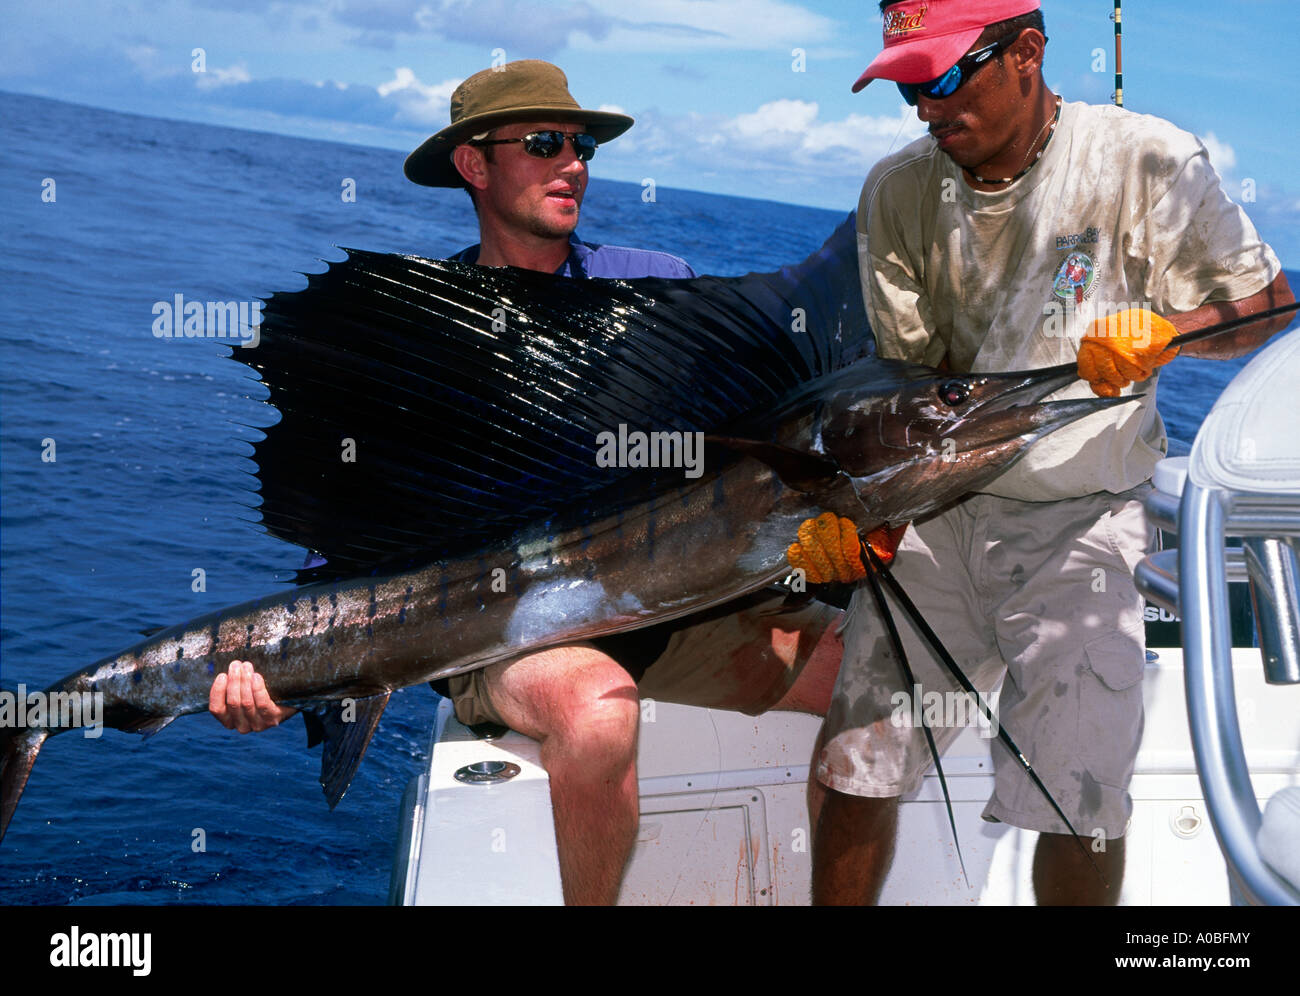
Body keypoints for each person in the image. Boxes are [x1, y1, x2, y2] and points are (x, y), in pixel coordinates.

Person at [210, 59, 846, 906]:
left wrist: (829, 532)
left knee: (883, 684)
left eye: (581, 146)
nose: (573, 164)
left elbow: (741, 450)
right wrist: (292, 681)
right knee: (598, 714)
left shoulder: (654, 287)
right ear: (474, 165)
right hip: (511, 629)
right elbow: (368, 546)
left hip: (676, 598)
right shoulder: (426, 334)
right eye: (545, 144)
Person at [805, 0, 1294, 905]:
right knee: (853, 769)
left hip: (1082, 521)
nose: (926, 108)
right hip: (936, 510)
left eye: (944, 77)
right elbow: (905, 388)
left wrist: (1174, 333)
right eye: (908, 87)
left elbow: (1271, 303)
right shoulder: (895, 191)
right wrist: (858, 511)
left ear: (1026, 52)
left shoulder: (1149, 157)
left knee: (1079, 804)